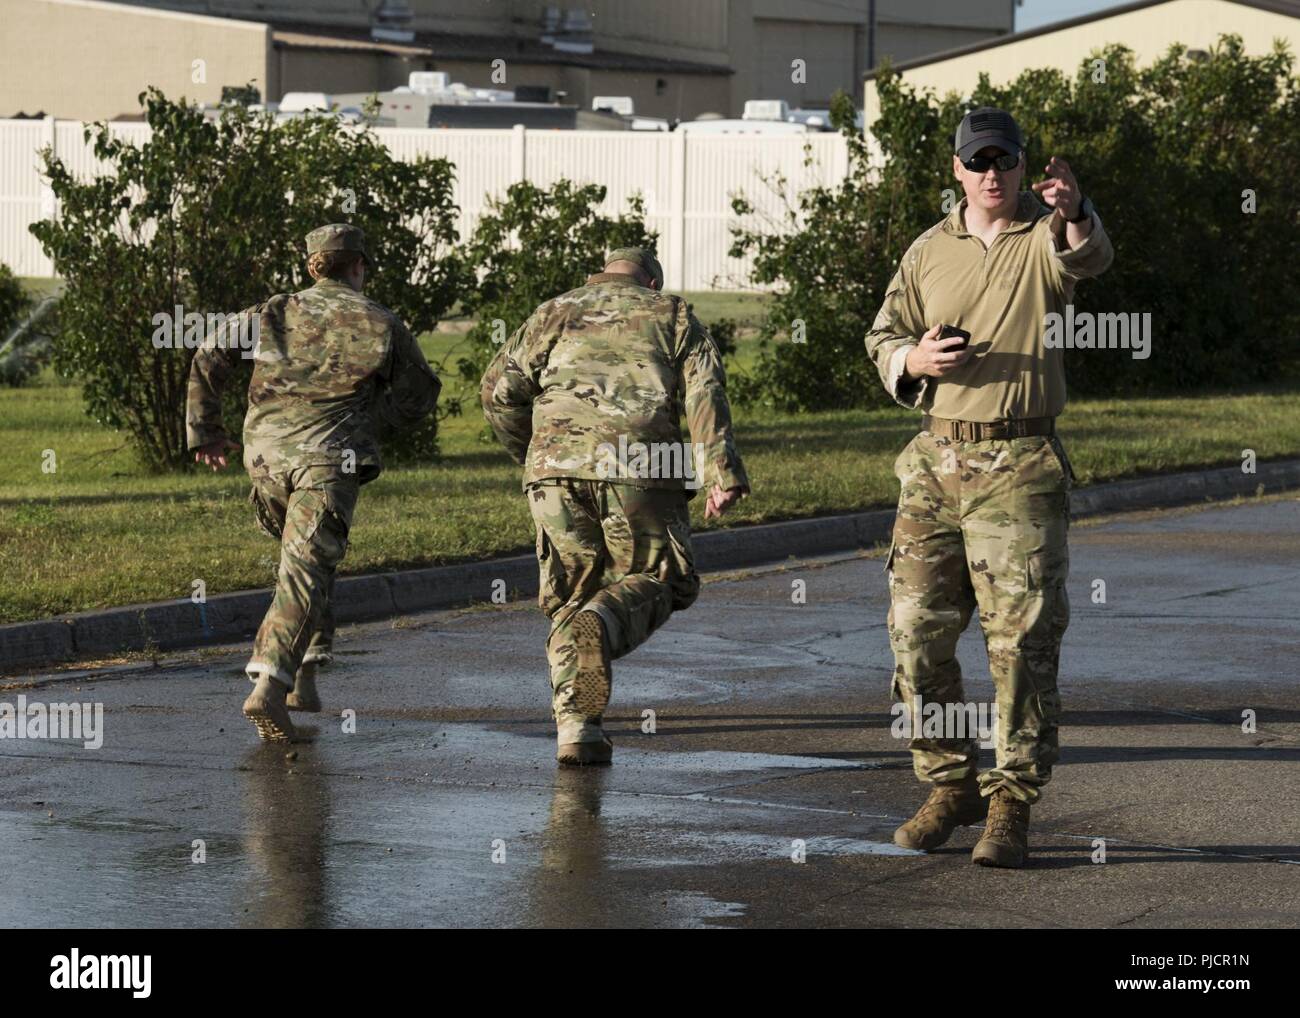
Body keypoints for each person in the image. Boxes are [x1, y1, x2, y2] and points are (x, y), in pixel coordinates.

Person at [865, 108, 1114, 867]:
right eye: (978, 162)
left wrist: (1073, 213)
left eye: (1004, 161)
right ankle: (949, 784)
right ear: (957, 170)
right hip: (934, 463)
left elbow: (1087, 259)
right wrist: (914, 361)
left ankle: (1012, 802)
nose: (991, 175)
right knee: (915, 636)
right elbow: (882, 335)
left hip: (1020, 465)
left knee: (1022, 644)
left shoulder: (1042, 237)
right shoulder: (927, 249)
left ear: (1023, 167)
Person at [481, 247, 749, 765]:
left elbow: (499, 393)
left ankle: (577, 728)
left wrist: (535, 453)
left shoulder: (552, 311)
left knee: (569, 596)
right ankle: (602, 626)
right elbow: (705, 394)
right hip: (644, 465)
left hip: (553, 471)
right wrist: (722, 472)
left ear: (599, 276)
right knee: (665, 577)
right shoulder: (671, 313)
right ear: (651, 282)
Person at [187, 224, 440, 742]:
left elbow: (208, 354)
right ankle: (269, 687)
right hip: (328, 460)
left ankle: (306, 675)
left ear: (311, 266)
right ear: (359, 267)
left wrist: (204, 432)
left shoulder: (272, 311)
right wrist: (373, 417)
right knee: (305, 569)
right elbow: (420, 397)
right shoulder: (381, 321)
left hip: (266, 458)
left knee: (305, 560)